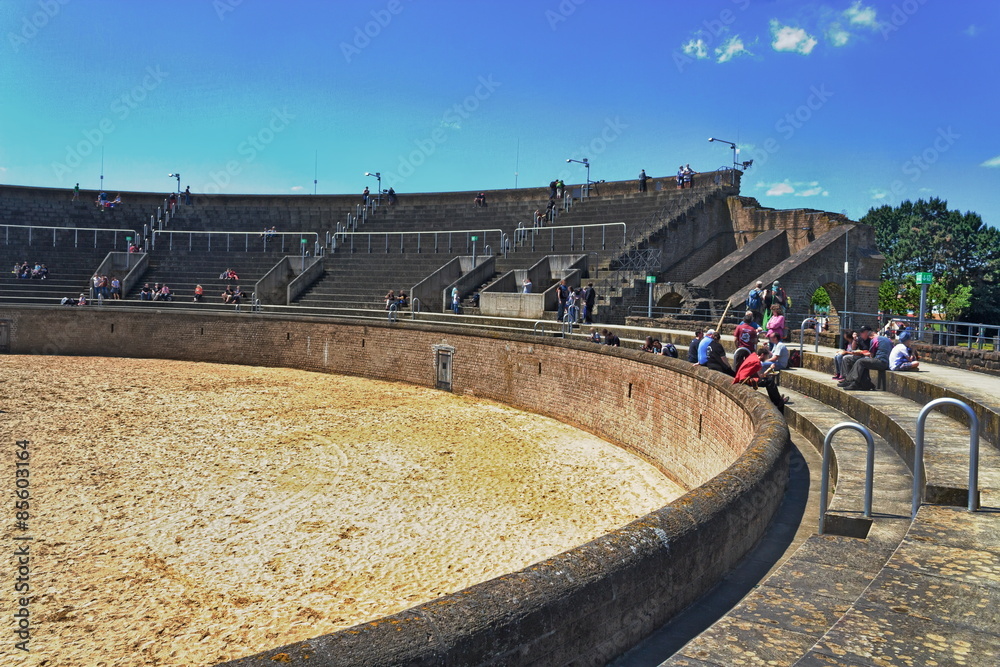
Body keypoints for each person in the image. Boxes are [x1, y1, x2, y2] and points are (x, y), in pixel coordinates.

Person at [734, 345, 787, 413]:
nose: (766, 359)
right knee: (769, 382)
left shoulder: (753, 356)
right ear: (762, 355)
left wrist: (767, 374)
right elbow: (760, 376)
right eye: (766, 357)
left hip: (743, 378)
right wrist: (770, 369)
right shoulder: (756, 362)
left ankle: (778, 400)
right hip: (746, 380)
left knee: (768, 381)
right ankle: (778, 402)